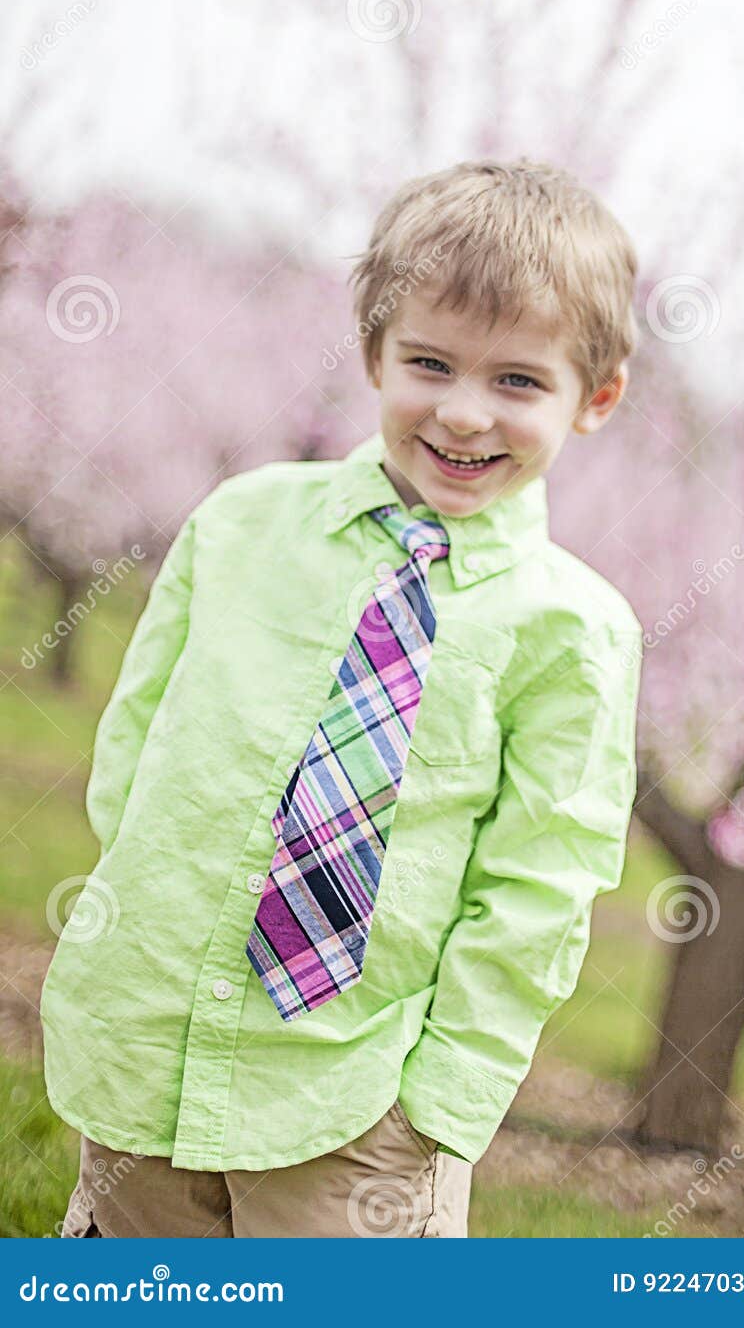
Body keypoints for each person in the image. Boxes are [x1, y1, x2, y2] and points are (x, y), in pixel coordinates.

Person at [41, 158, 645, 1238]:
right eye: (428, 362)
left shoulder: (574, 630)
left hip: (353, 1107)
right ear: (372, 351)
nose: (464, 413)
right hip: (147, 1044)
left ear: (592, 397)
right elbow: (137, 745)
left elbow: (539, 886)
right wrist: (132, 940)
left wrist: (434, 1108)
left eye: (518, 381)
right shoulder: (240, 524)